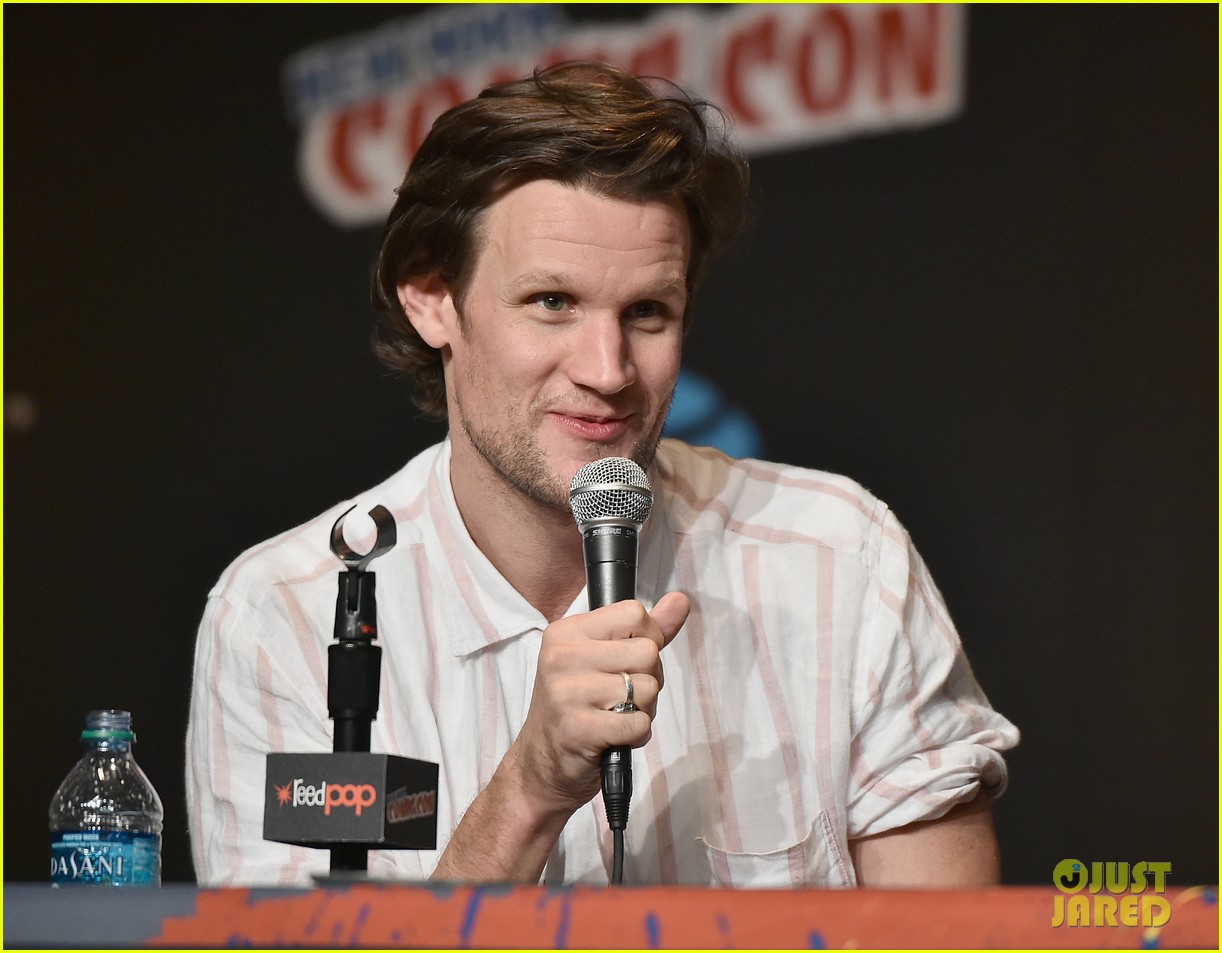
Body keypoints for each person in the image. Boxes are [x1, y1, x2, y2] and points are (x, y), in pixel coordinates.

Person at [186, 62, 1018, 888]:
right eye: (553, 302)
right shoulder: (282, 617)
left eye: (646, 312)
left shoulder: (843, 561)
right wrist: (529, 789)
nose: (608, 369)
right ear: (432, 297)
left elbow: (947, 938)